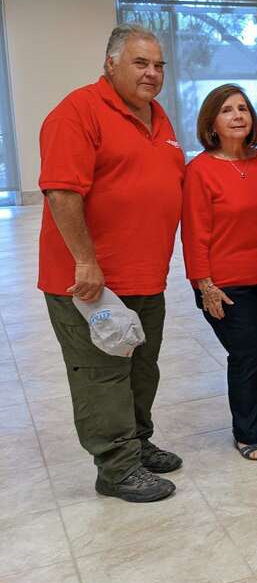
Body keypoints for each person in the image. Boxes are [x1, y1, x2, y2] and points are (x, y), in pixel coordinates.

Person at [38, 25, 184, 503]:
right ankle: (117, 468)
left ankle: (136, 444)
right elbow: (62, 192)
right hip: (90, 283)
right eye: (141, 63)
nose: (152, 73)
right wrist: (86, 261)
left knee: (141, 366)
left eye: (158, 65)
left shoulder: (157, 116)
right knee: (103, 373)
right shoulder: (76, 112)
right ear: (111, 63)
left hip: (145, 277)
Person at [182, 84, 257, 462]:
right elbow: (194, 232)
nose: (238, 115)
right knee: (247, 353)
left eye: (243, 108)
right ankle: (247, 433)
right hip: (223, 284)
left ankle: (253, 419)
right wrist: (204, 285)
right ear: (211, 124)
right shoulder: (200, 170)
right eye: (227, 110)